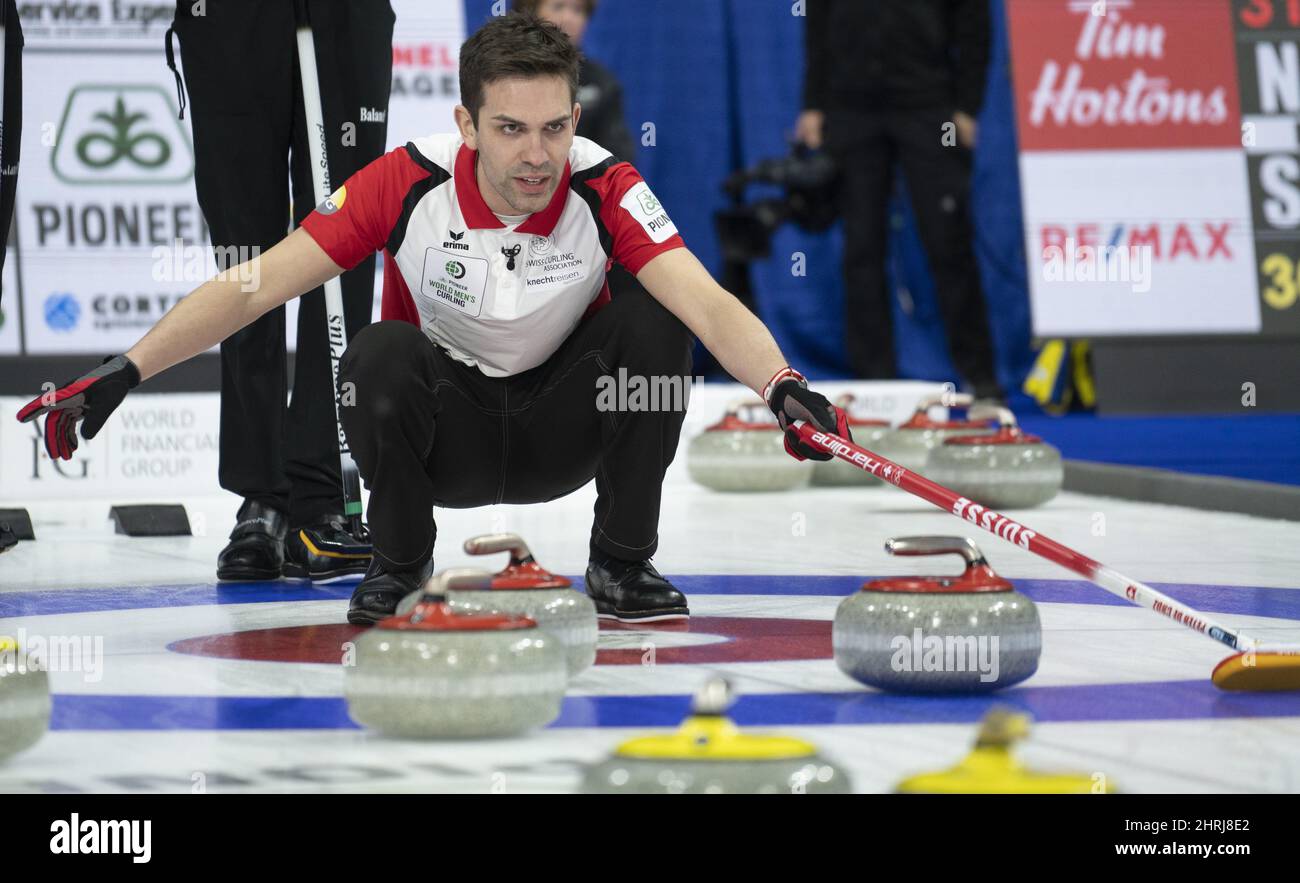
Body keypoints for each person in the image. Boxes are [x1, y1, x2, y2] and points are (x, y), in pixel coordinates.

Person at [18, 13, 850, 625]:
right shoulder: (404, 182)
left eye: (556, 129)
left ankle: (623, 564)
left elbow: (706, 300)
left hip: (560, 430)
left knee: (657, 331)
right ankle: (400, 564)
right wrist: (123, 372)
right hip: (444, 439)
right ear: (466, 126)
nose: (537, 155)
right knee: (376, 355)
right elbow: (253, 287)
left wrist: (784, 386)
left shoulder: (606, 185)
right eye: (512, 130)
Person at [162, 0, 394, 582]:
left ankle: (325, 494)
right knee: (245, 254)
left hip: (344, 16)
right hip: (232, 15)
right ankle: (262, 497)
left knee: (344, 234)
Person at [797, 0, 1005, 402]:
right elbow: (817, 20)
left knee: (949, 243)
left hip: (929, 104)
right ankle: (876, 385)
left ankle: (981, 378)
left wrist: (967, 105)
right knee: (860, 250)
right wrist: (812, 102)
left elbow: (974, 21)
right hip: (851, 107)